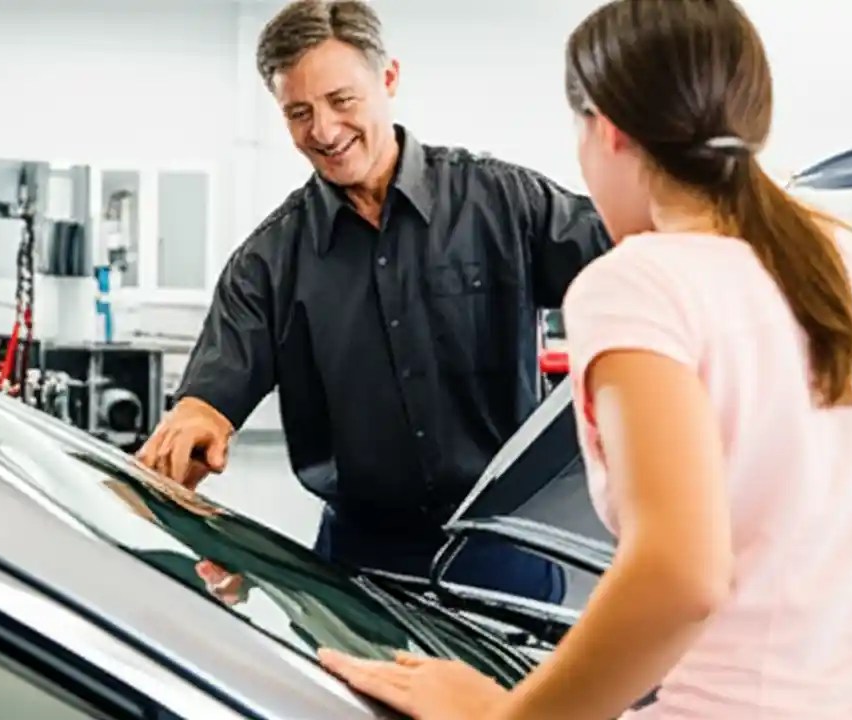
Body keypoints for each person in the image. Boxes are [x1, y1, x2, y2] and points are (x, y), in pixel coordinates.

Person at [317, 0, 852, 718]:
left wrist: (505, 717)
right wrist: (813, 611)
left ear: (607, 130)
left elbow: (679, 576)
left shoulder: (640, 284)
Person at [135, 0, 610, 603]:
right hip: (358, 570)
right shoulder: (269, 261)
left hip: (505, 556)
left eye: (342, 101)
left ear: (388, 79)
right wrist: (195, 419)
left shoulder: (502, 203)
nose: (325, 132)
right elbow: (210, 396)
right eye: (299, 113)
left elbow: (634, 261)